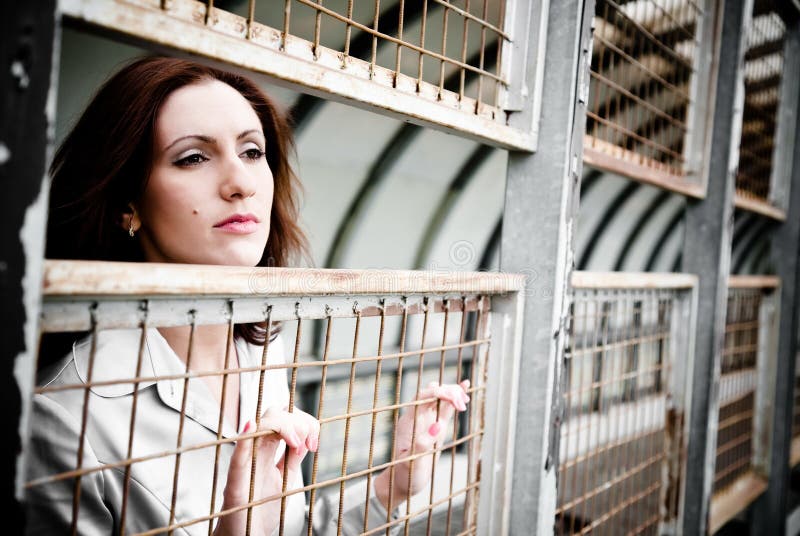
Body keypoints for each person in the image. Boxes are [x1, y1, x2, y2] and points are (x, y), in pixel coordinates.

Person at [26, 56, 471, 535]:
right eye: (193, 157)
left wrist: (391, 488)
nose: (240, 183)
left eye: (253, 152)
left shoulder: (259, 351)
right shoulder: (63, 415)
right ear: (126, 204)